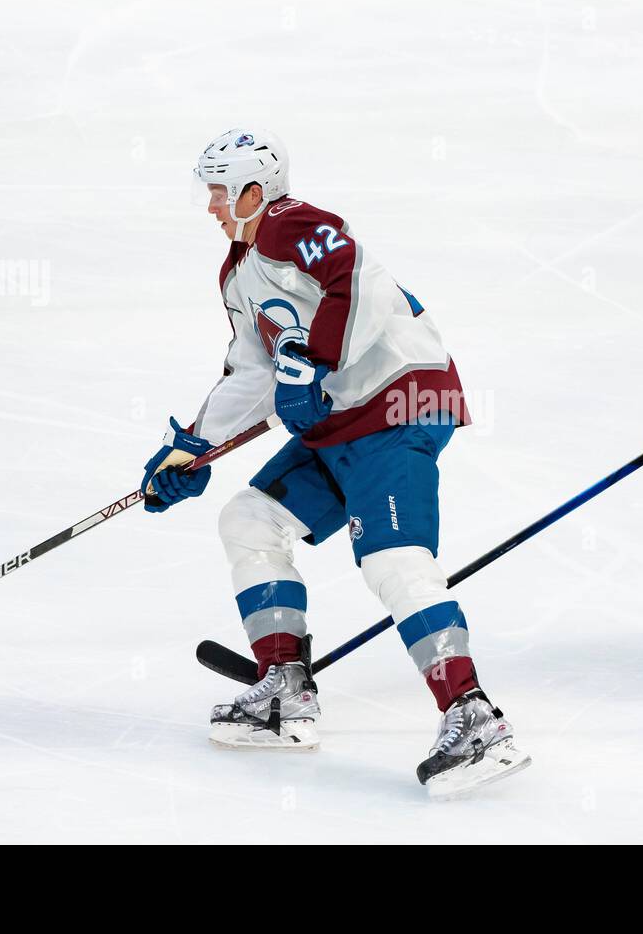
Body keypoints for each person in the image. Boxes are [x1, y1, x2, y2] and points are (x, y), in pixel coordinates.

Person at [140, 127, 529, 796]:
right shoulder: (239, 272)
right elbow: (253, 371)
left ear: (254, 191)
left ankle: (473, 716)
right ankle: (285, 689)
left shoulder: (295, 227)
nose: (210, 206)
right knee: (249, 521)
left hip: (401, 403)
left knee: (392, 560)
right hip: (341, 420)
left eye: (218, 192)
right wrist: (195, 444)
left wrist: (309, 362)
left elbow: (356, 282)